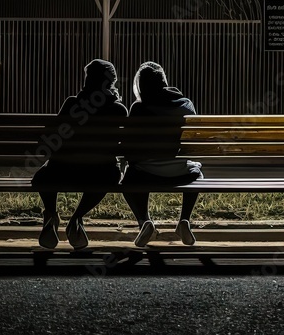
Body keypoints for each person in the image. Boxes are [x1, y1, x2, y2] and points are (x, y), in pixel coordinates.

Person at [31, 59, 127, 250]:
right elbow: (124, 146)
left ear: (87, 80)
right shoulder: (119, 110)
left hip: (63, 170)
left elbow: (50, 137)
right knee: (113, 175)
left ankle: (51, 213)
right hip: (98, 173)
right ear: (111, 82)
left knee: (42, 176)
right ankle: (77, 218)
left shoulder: (72, 104)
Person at [122, 61, 203, 246]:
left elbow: (128, 146)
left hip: (146, 173)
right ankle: (184, 221)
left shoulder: (139, 108)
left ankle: (145, 222)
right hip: (181, 172)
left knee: (128, 179)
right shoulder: (186, 104)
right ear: (164, 81)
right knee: (198, 172)